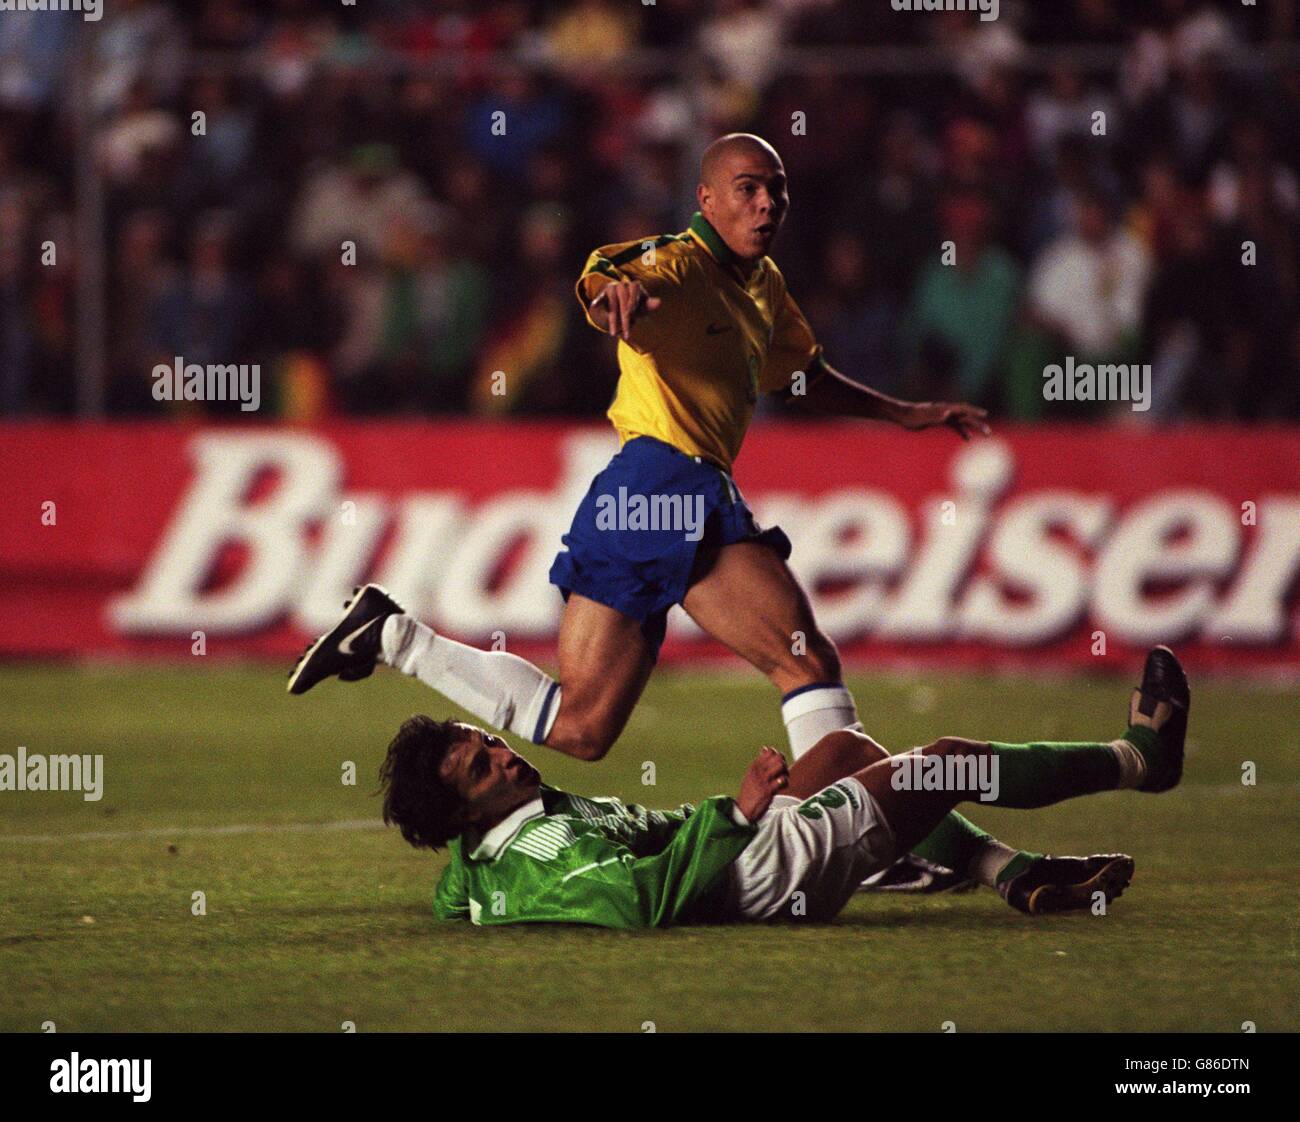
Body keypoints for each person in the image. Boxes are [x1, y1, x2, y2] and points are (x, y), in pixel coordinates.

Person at [289, 133, 987, 772]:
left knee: (582, 729)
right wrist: (611, 300)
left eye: (776, 188)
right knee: (806, 664)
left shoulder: (766, 288)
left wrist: (900, 412)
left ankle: (391, 638)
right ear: (706, 200)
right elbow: (605, 279)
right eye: (747, 187)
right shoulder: (677, 263)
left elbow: (799, 377)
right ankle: (856, 839)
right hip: (667, 482)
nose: (767, 202)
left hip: (641, 498)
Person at [371, 647, 1189, 928]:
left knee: (840, 747)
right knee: (948, 761)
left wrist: (472, 897)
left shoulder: (480, 859)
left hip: (746, 854)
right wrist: (735, 813)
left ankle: (1008, 874)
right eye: (485, 770)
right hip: (768, 872)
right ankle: (1140, 760)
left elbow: (466, 894)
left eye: (489, 742)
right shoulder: (544, 848)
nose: (506, 756)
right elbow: (638, 901)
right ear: (463, 812)